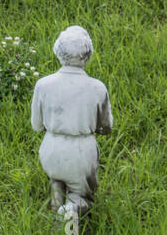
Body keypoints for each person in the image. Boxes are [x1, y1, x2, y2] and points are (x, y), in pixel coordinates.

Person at [30, 26, 112, 222]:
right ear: (88, 55)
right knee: (80, 196)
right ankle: (71, 220)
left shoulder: (43, 84)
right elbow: (106, 126)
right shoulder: (97, 87)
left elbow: (36, 125)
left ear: (58, 52)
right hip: (81, 152)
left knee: (57, 185)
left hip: (51, 149)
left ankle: (61, 230)